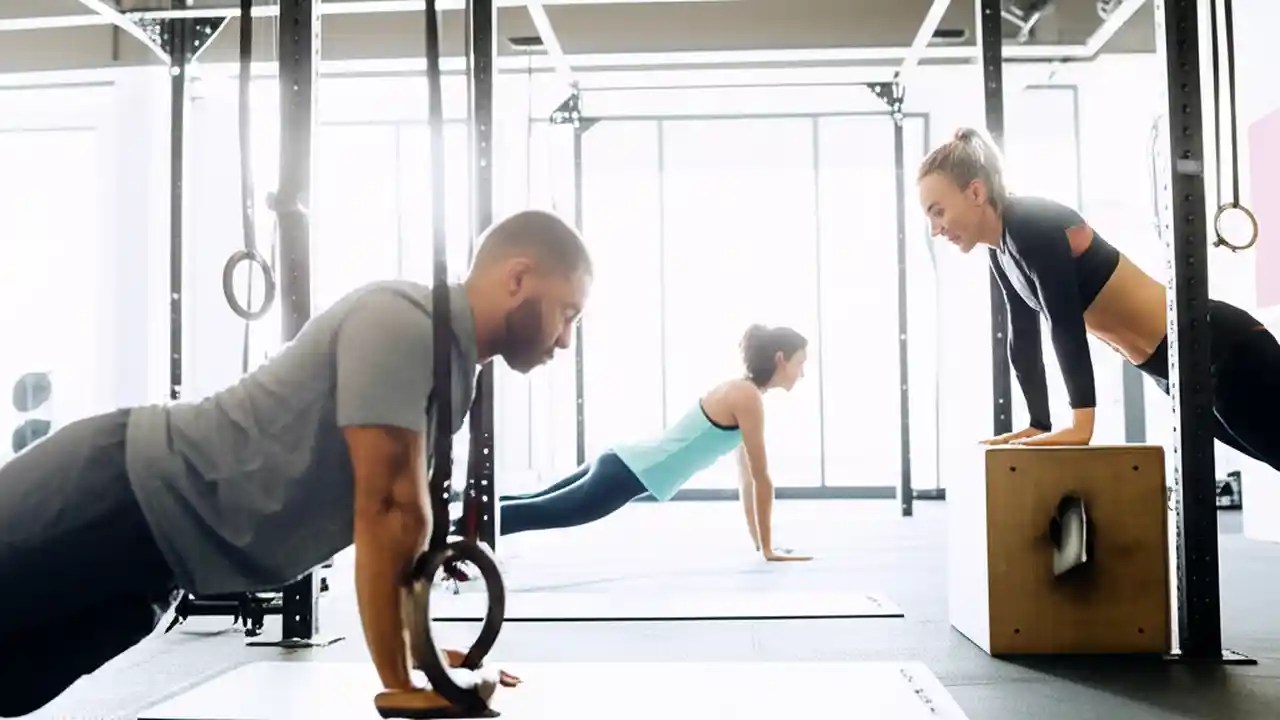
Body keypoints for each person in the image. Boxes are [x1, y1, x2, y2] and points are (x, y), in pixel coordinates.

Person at [0, 209, 591, 717]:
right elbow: (390, 508)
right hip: (116, 490)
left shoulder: (451, 367)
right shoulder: (404, 321)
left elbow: (401, 523)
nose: (565, 341)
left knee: (14, 685)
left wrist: (421, 651)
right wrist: (404, 683)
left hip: (158, 568)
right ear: (518, 278)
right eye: (567, 313)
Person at [916, 126, 1280, 470]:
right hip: (1173, 371)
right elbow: (1023, 339)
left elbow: (1065, 322)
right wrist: (1038, 423)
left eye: (938, 211)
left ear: (976, 193)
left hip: (1221, 349)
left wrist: (1081, 423)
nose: (935, 229)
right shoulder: (1001, 251)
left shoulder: (1029, 223)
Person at [489, 324, 814, 562]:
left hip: (623, 462)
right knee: (539, 512)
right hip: (628, 470)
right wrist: (770, 550)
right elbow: (761, 477)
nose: (801, 374)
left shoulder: (742, 392)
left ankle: (462, 525)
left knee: (532, 504)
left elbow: (747, 477)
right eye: (800, 363)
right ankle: (454, 535)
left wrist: (762, 544)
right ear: (780, 359)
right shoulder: (747, 397)